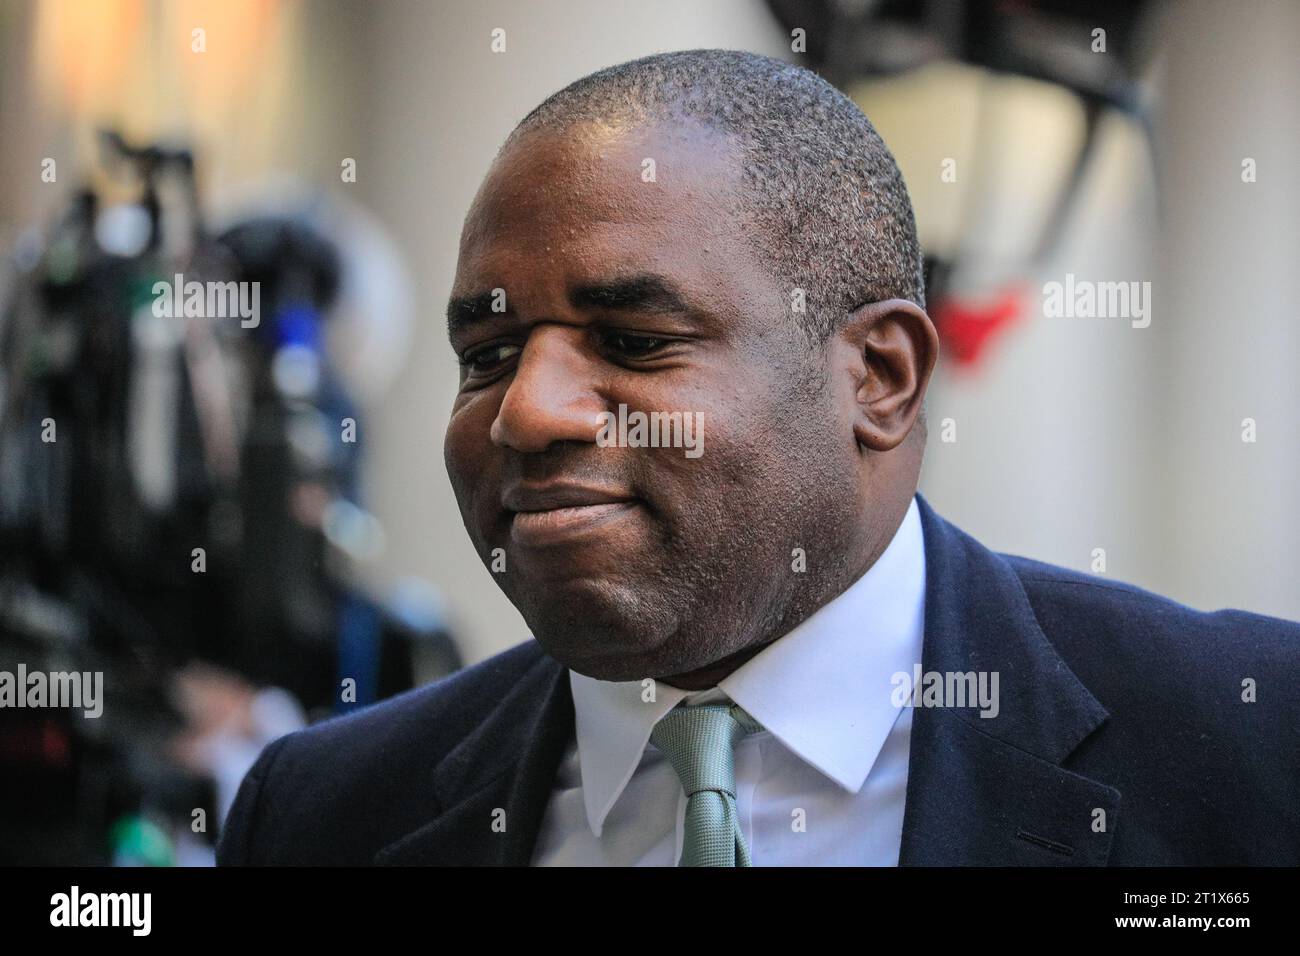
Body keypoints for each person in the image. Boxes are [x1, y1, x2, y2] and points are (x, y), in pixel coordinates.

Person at [217, 50, 1299, 867]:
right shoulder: (323, 815)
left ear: (877, 376)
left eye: (634, 341)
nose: (527, 412)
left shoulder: (1249, 742)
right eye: (487, 353)